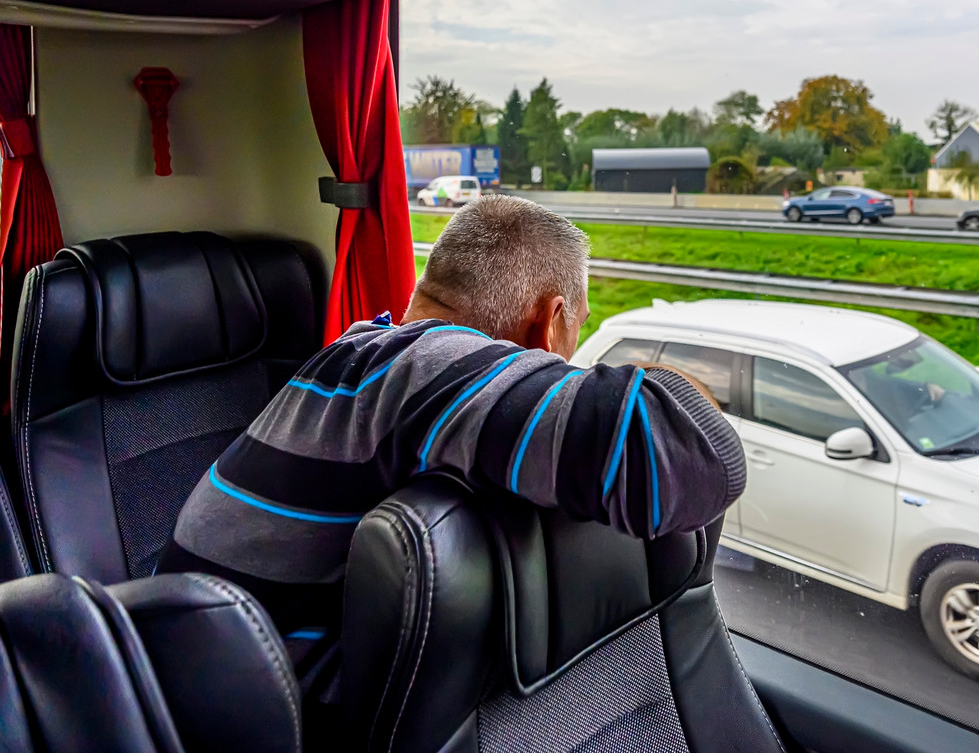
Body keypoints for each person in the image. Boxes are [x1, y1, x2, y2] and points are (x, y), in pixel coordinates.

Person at [157, 195, 745, 634]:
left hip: (215, 668)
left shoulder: (374, 349)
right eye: (578, 328)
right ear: (548, 322)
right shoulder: (435, 365)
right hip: (238, 720)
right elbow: (696, 454)